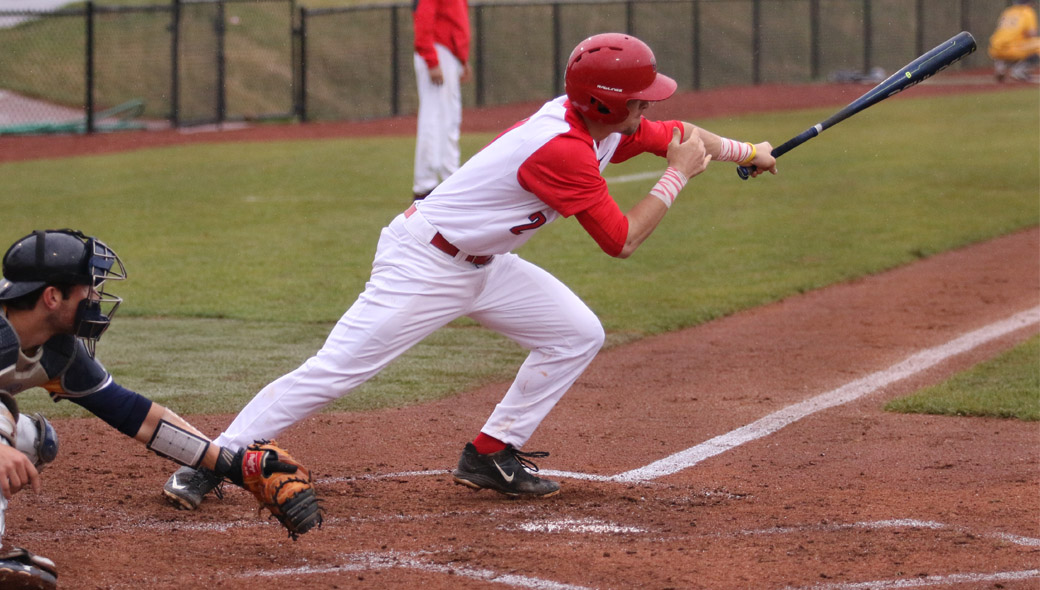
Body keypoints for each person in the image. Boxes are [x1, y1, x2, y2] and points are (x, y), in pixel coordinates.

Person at [163, 32, 776, 506]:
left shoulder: (599, 123)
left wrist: (748, 152)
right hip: (423, 264)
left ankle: (490, 453)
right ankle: (211, 459)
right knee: (336, 372)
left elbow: (683, 134)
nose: (648, 105)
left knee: (576, 333)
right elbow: (621, 239)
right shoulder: (562, 148)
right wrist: (676, 177)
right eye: (640, 97)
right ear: (606, 102)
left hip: (484, 265)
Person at [0, 230, 320, 590]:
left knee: (34, 442)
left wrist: (234, 467)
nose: (96, 298)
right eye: (88, 288)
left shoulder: (59, 353)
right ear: (51, 297)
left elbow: (138, 416)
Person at [411, 0, 471, 200]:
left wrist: (461, 59)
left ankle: (441, 180)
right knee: (436, 117)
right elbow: (423, 19)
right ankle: (429, 183)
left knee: (447, 117)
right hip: (438, 51)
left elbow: (454, 19)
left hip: (446, 52)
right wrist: (431, 59)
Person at [988, 0, 1040, 82]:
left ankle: (1001, 66)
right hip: (1012, 49)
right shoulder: (1027, 11)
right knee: (1037, 44)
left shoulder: (1008, 11)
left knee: (1012, 44)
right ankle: (1019, 71)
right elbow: (1032, 34)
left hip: (994, 49)